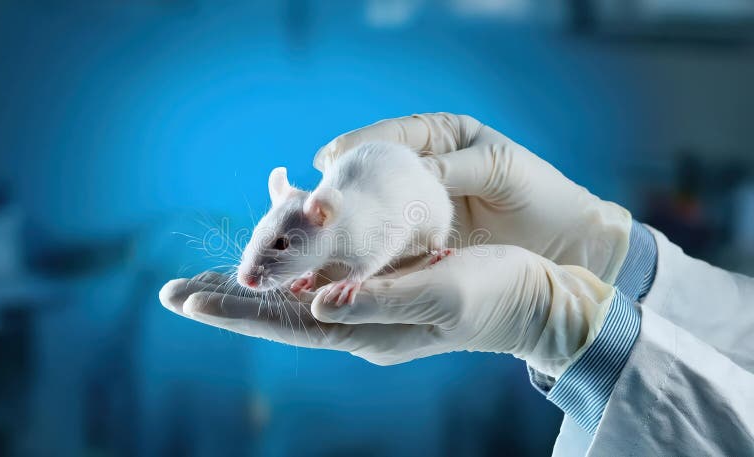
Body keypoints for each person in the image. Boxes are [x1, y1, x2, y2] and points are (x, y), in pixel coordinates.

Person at [159, 113, 754, 455]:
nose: (255, 270)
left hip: (417, 218)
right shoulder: (317, 219)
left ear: (321, 215)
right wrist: (615, 260)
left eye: (280, 248)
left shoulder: (345, 223)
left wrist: (566, 326)